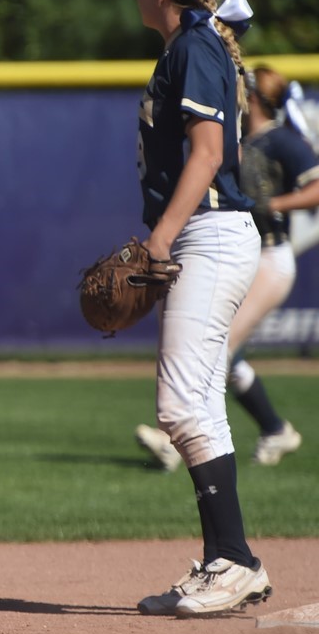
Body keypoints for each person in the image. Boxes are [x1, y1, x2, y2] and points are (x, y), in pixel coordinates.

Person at [128, 0, 273, 617]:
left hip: (210, 237)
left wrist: (160, 236)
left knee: (180, 404)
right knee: (202, 400)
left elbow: (208, 154)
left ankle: (234, 559)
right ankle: (230, 559)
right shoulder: (193, 45)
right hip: (208, 236)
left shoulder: (194, 47)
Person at [135, 62, 319, 472]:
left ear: (251, 96)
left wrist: (275, 204)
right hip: (242, 256)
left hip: (271, 258)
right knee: (217, 351)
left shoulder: (282, 140)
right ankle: (274, 429)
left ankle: (174, 442)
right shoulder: (239, 138)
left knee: (214, 352)